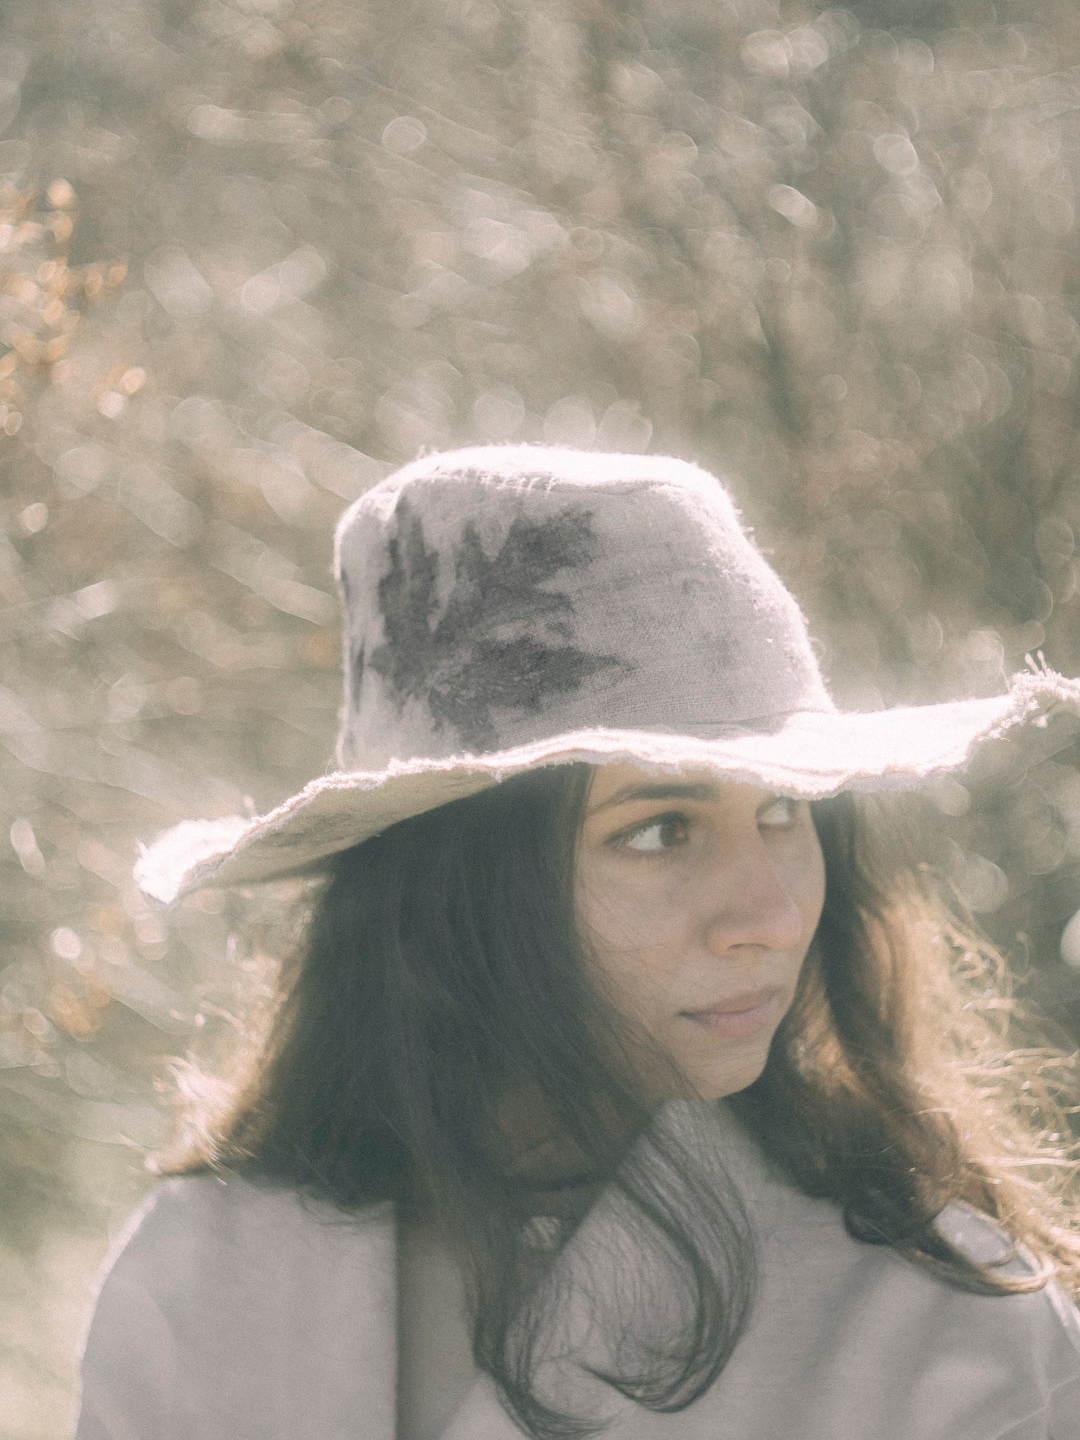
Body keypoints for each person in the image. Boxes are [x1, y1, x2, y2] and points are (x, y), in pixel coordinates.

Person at [75, 444, 1080, 1440]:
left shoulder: (943, 1330)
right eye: (659, 831)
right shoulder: (200, 1283)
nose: (770, 915)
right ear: (454, 891)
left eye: (786, 811)